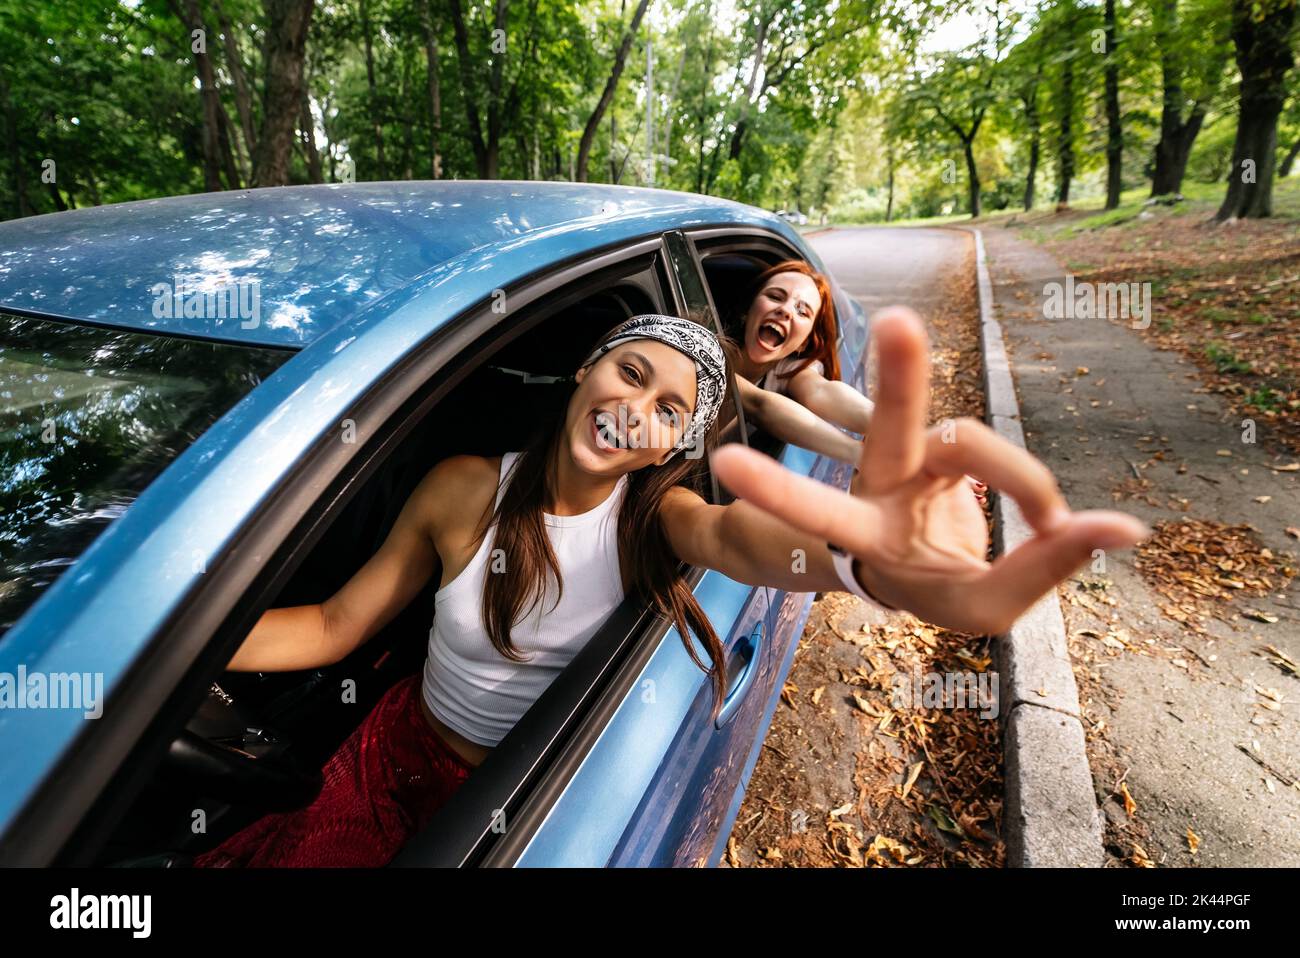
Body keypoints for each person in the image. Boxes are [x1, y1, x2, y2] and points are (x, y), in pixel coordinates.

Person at [192, 308, 1145, 867]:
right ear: (585, 365)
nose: (629, 411)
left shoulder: (662, 518)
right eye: (627, 372)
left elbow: (743, 538)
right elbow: (330, 624)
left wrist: (869, 567)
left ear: (678, 448)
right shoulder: (463, 486)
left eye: (666, 411)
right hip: (387, 748)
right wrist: (155, 645)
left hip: (494, 798)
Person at [726, 259, 985, 500]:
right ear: (747, 311)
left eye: (802, 311)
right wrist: (862, 456)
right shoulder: (707, 353)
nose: (785, 311)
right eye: (775, 297)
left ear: (803, 342)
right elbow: (759, 405)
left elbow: (822, 392)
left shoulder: (786, 369)